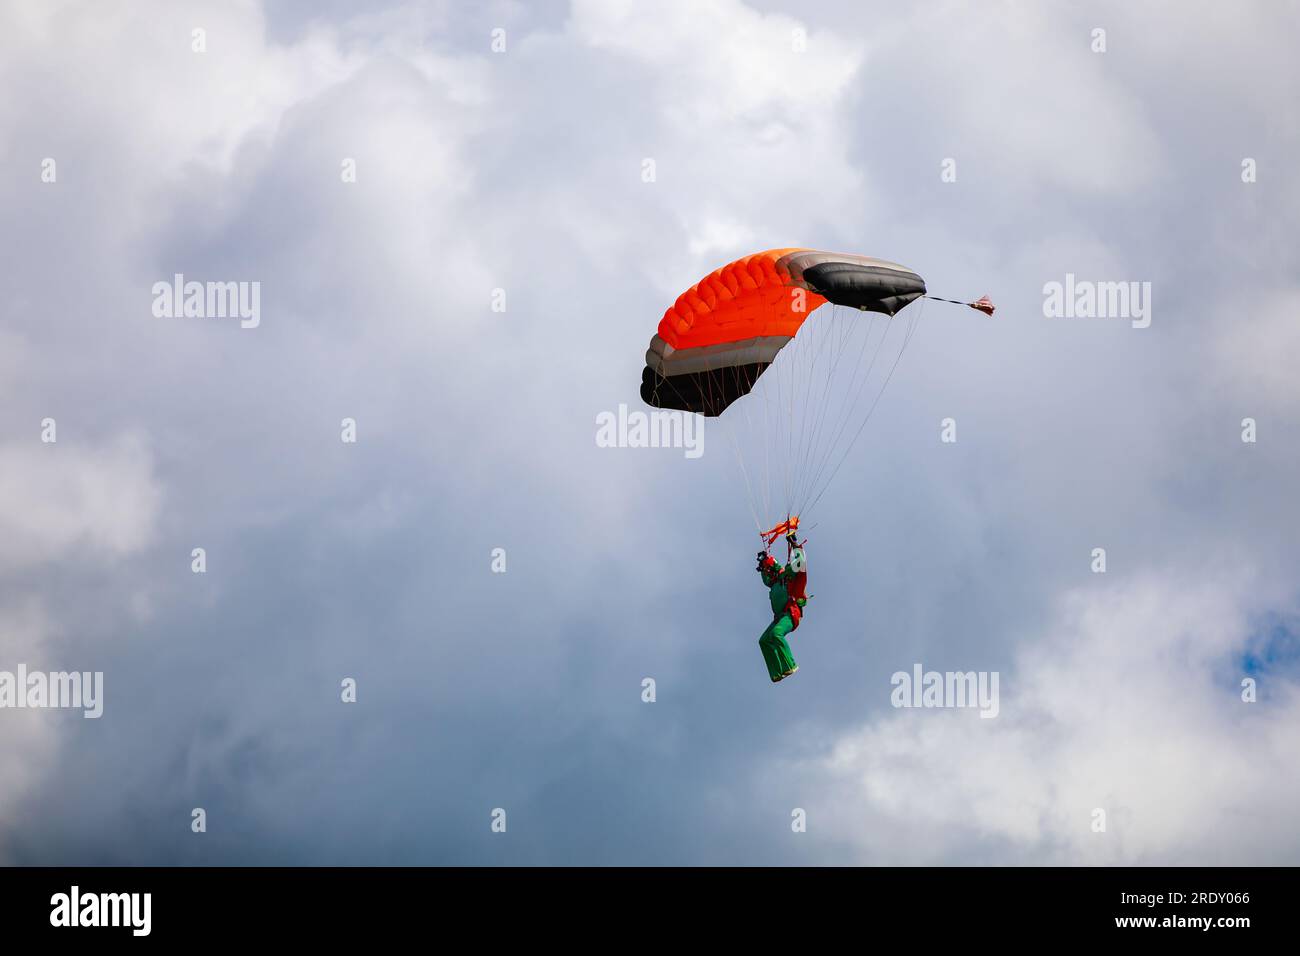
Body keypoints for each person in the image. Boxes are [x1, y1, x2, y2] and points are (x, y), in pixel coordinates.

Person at [756, 532, 809, 683]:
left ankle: (790, 665)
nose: (768, 575)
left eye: (769, 571)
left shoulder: (789, 576)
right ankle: (777, 672)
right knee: (764, 640)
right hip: (780, 617)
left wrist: (795, 545)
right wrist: (764, 564)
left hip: (791, 614)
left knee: (776, 633)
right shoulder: (774, 583)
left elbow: (800, 563)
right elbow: (767, 580)